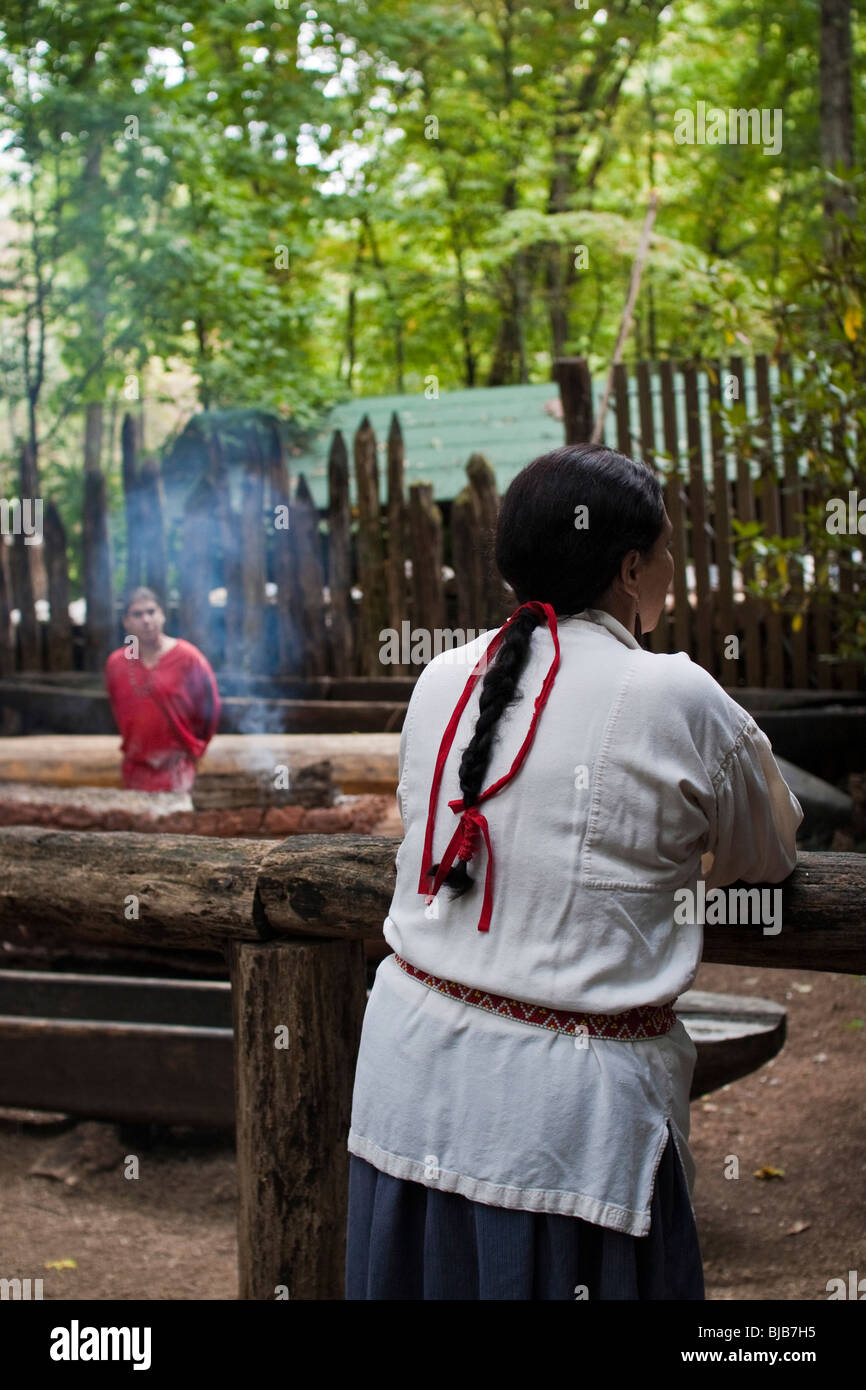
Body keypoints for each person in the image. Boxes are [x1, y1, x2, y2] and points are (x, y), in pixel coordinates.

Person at [345, 443, 803, 1301]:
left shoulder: (444, 675)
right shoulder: (675, 695)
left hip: (409, 1087)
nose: (671, 568)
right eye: (666, 551)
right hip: (565, 1126)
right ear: (632, 568)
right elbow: (765, 856)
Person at [104, 587, 221, 793]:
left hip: (178, 769)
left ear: (162, 615)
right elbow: (117, 708)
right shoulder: (117, 664)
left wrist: (196, 749)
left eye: (151, 612)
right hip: (135, 770)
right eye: (137, 614)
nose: (146, 620)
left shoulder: (188, 658)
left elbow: (211, 708)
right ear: (126, 622)